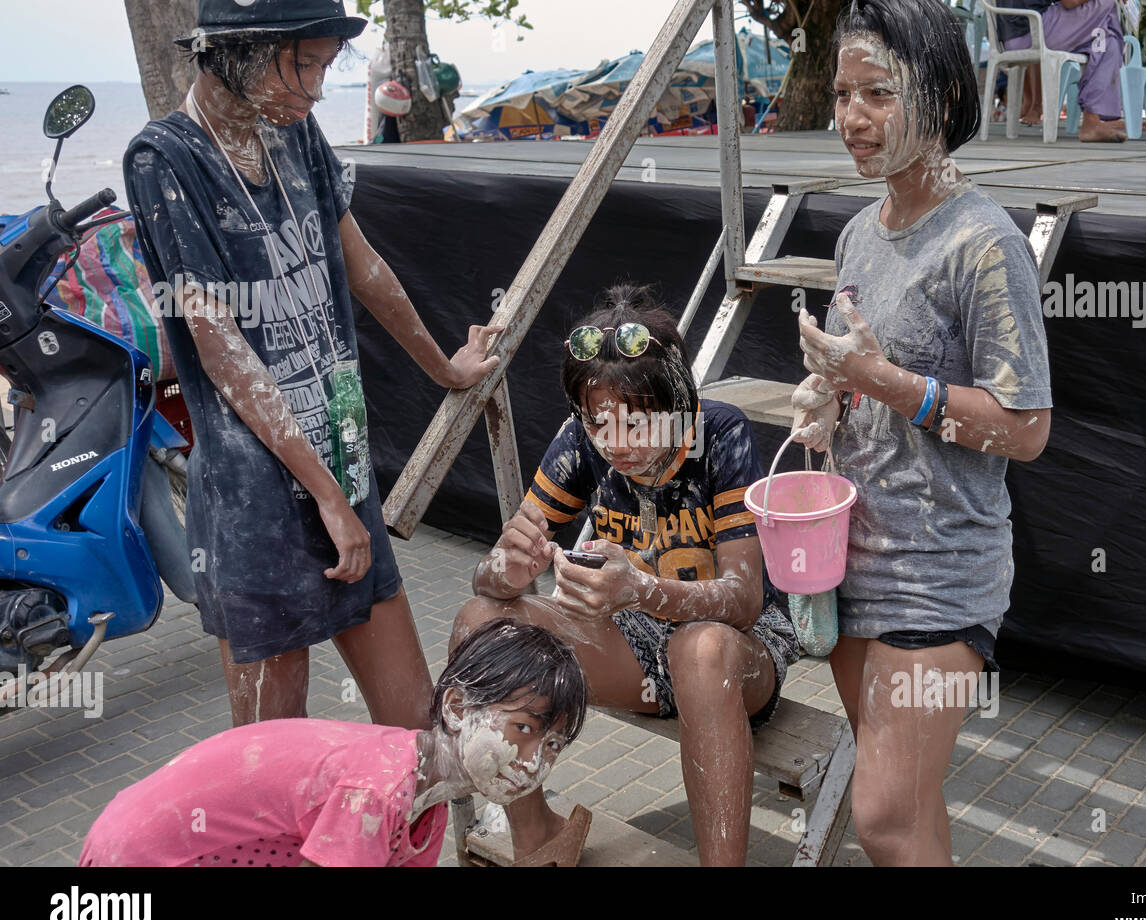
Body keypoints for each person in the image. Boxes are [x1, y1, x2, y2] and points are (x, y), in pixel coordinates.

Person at [122, 0, 500, 730]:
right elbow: (219, 347)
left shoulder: (295, 136)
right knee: (272, 764)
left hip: (340, 460)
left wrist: (444, 369)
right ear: (241, 50)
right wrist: (326, 496)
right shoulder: (164, 158)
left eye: (327, 67)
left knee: (415, 731)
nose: (317, 88)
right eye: (305, 64)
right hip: (258, 496)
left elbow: (363, 268)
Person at [792, 0, 1052, 866]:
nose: (851, 118)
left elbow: (1026, 430)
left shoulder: (986, 244)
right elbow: (854, 372)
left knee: (884, 817)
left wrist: (888, 384)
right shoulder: (861, 233)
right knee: (913, 810)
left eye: (878, 94)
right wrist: (826, 396)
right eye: (841, 94)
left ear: (939, 96)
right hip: (850, 563)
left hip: (941, 576)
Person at [452, 285, 800, 867]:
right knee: (480, 623)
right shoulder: (580, 442)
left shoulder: (720, 434)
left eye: (637, 425)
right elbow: (490, 576)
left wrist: (639, 587)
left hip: (737, 651)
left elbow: (743, 600)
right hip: (637, 645)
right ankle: (537, 837)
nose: (616, 445)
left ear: (678, 403)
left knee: (702, 647)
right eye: (598, 424)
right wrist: (504, 572)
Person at [79, 617, 586, 867]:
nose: (533, 762)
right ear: (455, 709)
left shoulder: (425, 805)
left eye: (554, 746)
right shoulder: (378, 794)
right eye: (525, 729)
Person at [995, 0, 1128, 142]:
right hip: (1031, 30)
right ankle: (1093, 119)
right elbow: (1071, 2)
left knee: (1105, 40)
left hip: (1013, 33)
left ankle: (1093, 119)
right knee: (1107, 11)